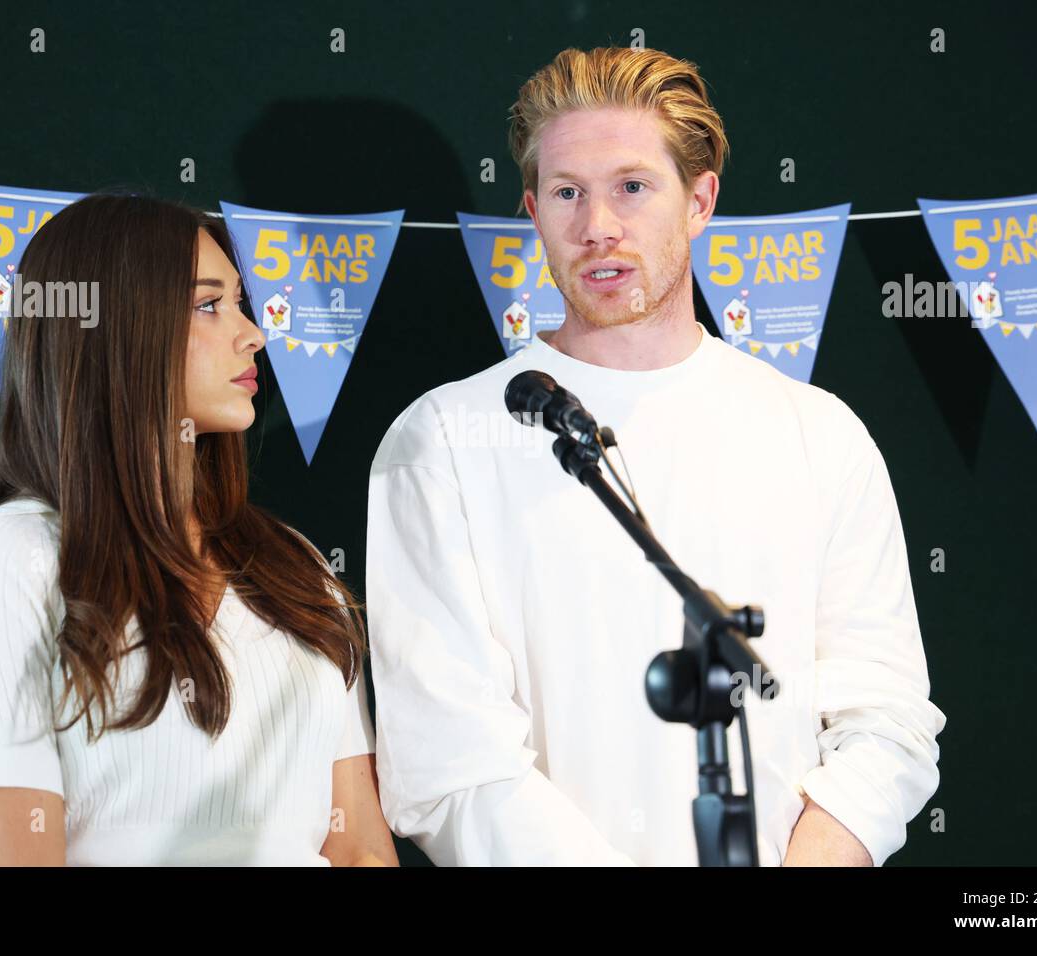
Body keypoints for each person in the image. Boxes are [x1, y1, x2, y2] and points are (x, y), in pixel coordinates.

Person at [365, 46, 946, 866]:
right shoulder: (443, 438)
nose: (597, 225)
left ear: (700, 199)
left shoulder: (819, 433)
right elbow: (448, 761)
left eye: (631, 187)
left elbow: (886, 722)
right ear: (532, 210)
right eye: (567, 193)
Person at [0, 193, 398, 867]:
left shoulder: (296, 566)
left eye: (239, 302)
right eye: (209, 305)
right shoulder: (8, 560)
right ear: (112, 326)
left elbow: (359, 848)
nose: (253, 333)